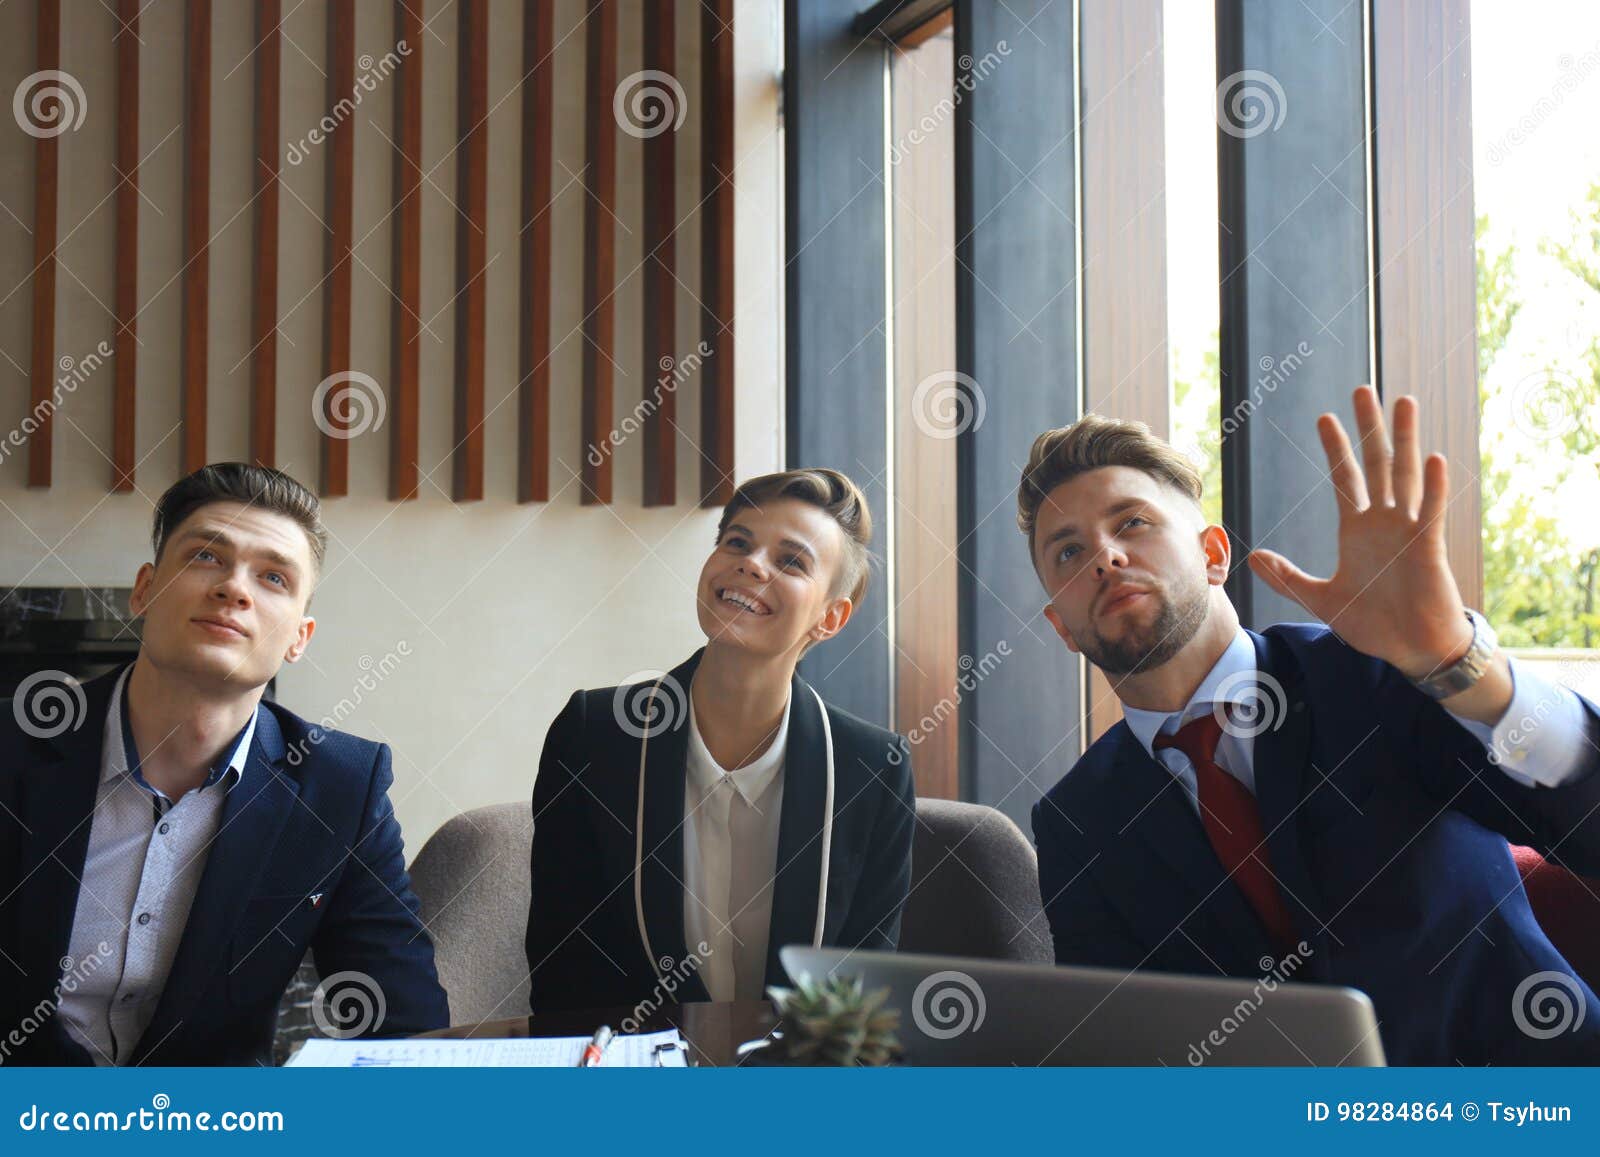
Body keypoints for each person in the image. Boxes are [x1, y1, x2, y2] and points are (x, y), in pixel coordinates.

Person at [1026, 387, 1600, 1064]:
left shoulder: (1374, 672)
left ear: (1213, 554)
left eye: (1132, 523)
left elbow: (1584, 820)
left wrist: (1455, 661)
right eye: (1069, 552)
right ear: (1062, 627)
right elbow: (1116, 1056)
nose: (1104, 557)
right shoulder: (1075, 821)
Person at [0, 464, 449, 1065]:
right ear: (144, 590)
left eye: (273, 577)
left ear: (299, 637)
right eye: (206, 556)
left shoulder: (340, 788)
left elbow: (404, 1030)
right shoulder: (15, 743)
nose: (234, 589)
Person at [525, 469, 916, 1013]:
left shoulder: (874, 769)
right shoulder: (594, 737)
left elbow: (861, 1002)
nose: (751, 564)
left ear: (831, 617)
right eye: (737, 542)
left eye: (791, 561)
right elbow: (564, 976)